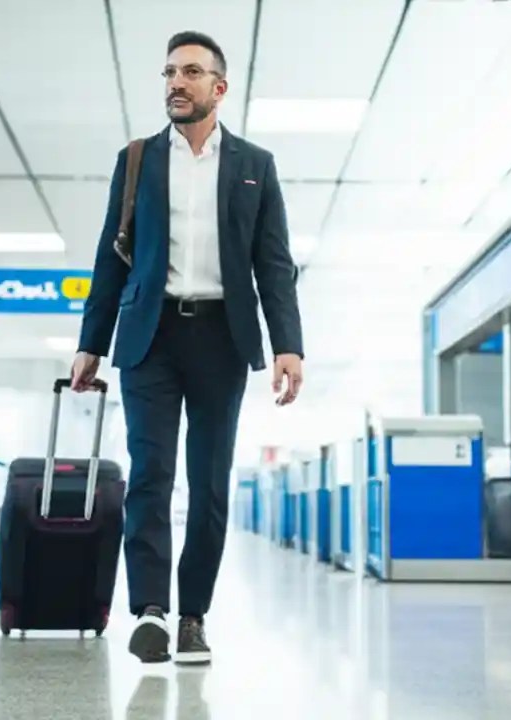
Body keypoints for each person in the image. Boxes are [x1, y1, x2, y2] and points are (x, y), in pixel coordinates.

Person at [71, 30, 304, 665]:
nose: (176, 82)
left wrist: (288, 344)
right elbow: (109, 258)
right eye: (170, 72)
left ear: (218, 88)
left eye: (191, 73)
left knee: (209, 485)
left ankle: (192, 615)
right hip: (150, 336)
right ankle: (149, 608)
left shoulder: (255, 166)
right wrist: (91, 342)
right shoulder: (139, 159)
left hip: (221, 339)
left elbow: (273, 264)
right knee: (150, 473)